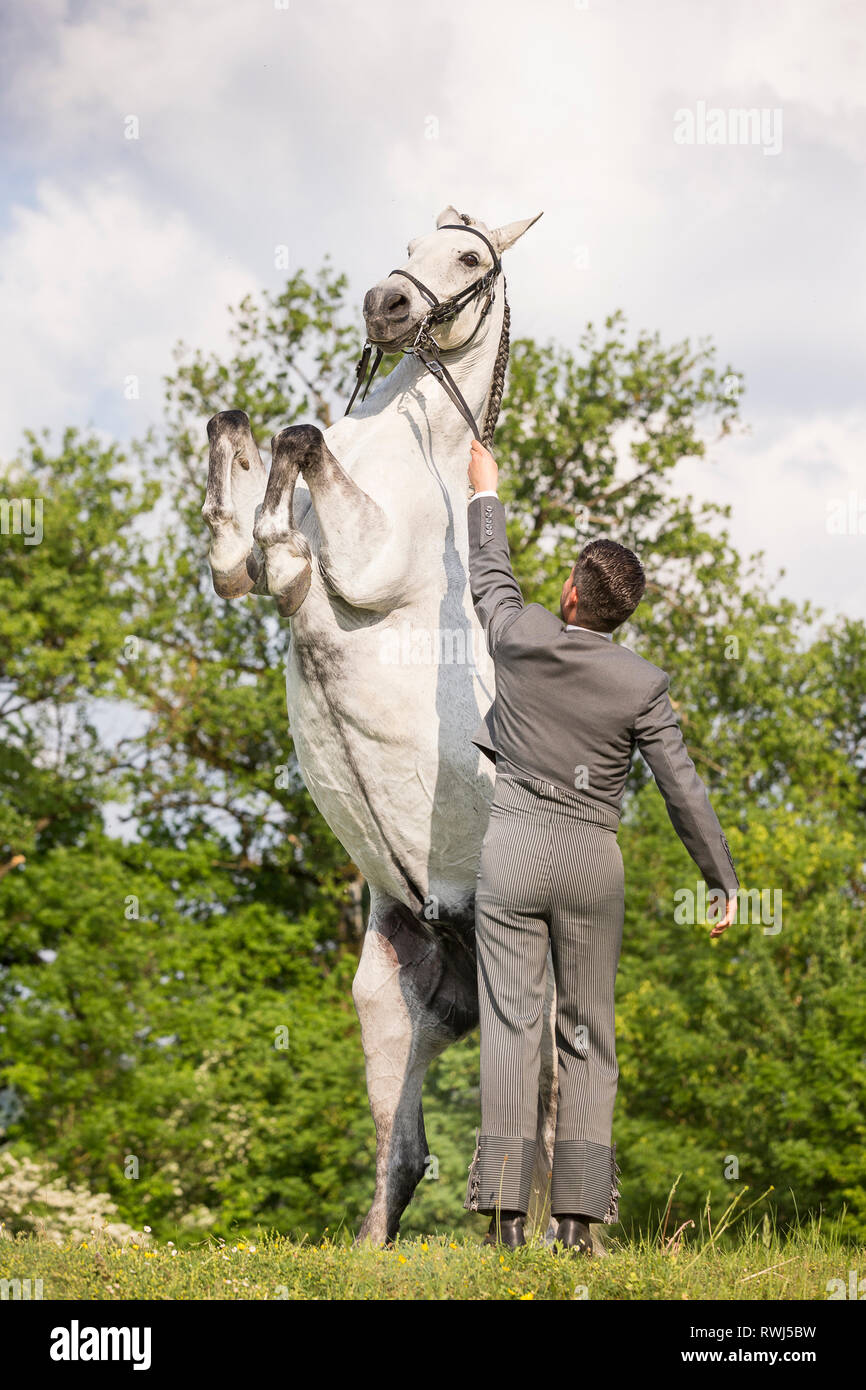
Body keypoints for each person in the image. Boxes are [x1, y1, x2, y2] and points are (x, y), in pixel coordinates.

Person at [463, 438, 739, 1254]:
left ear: (571, 592)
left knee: (513, 1024)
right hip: (591, 859)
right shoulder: (642, 684)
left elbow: (490, 575)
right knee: (586, 1034)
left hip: (513, 846)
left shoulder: (522, 635)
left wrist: (488, 490)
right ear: (622, 614)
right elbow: (683, 787)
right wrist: (721, 881)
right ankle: (579, 1227)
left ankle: (508, 1223)